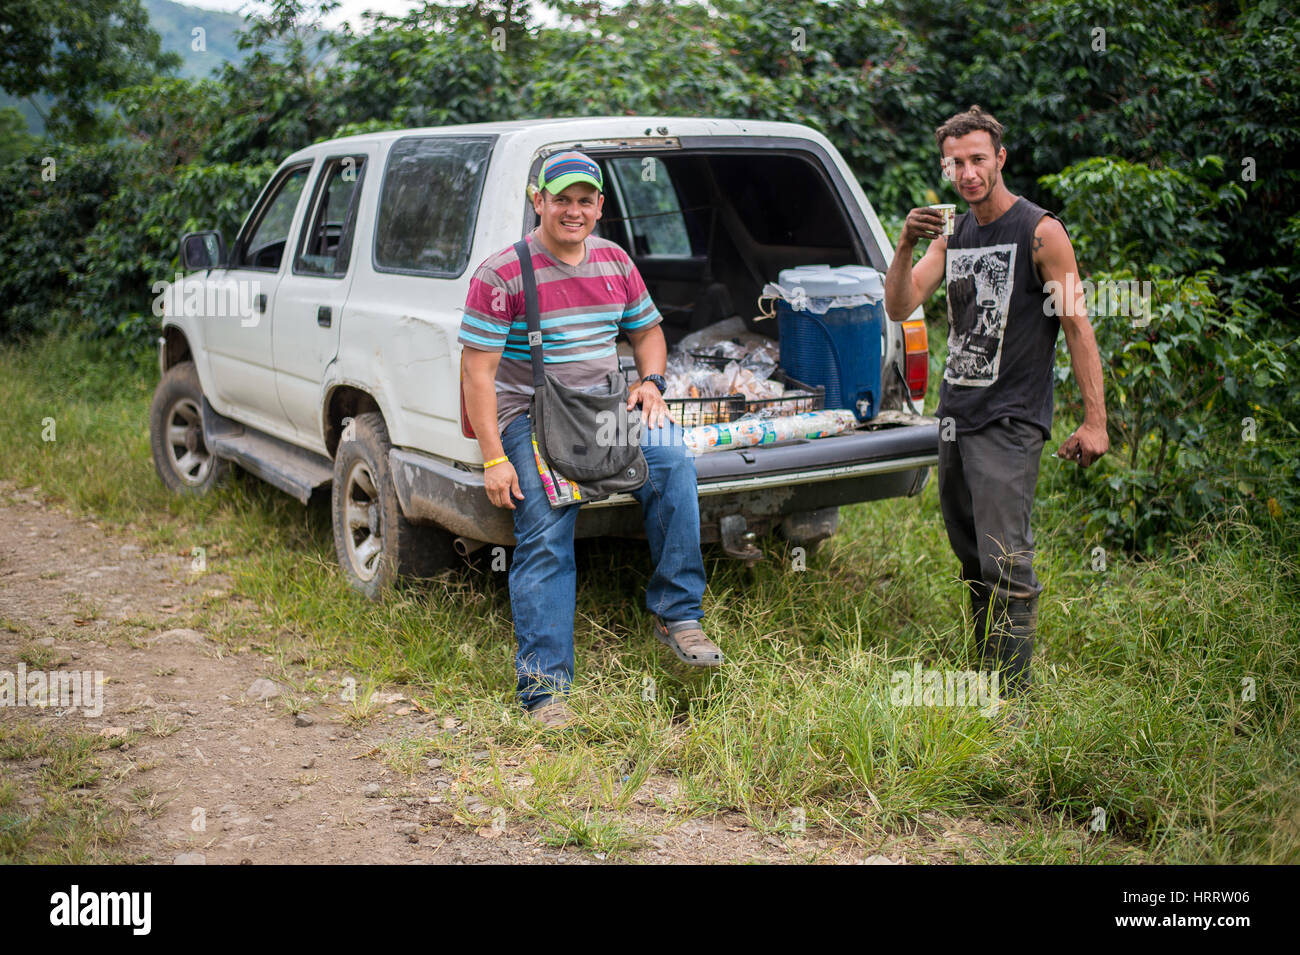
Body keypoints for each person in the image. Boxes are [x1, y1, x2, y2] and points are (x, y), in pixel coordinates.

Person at [458, 150, 722, 728]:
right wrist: (494, 458)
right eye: (561, 199)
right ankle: (545, 691)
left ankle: (678, 614)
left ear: (600, 207)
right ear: (539, 203)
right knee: (549, 525)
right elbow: (477, 373)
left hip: (601, 409)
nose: (572, 210)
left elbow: (649, 332)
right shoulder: (502, 273)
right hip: (529, 413)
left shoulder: (616, 262)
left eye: (584, 200)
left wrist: (651, 383)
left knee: (673, 462)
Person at [883, 106, 1109, 697]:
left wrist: (1095, 421)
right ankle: (985, 677)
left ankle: (1012, 701)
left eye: (977, 159)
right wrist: (906, 243)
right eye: (955, 163)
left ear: (1000, 159)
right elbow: (900, 305)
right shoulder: (953, 231)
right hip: (956, 414)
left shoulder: (1040, 231)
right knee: (970, 554)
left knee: (1006, 560)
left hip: (1011, 419)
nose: (967, 172)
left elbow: (1078, 325)